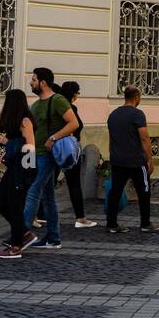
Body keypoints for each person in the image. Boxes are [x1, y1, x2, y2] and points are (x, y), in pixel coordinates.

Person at [23, 68, 79, 250]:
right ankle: (53, 238)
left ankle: (21, 235)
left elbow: (74, 123)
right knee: (48, 197)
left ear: (43, 82)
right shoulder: (36, 105)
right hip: (37, 153)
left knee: (33, 191)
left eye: (33, 79)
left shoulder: (58, 100)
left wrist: (53, 138)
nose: (31, 83)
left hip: (48, 155)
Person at [105, 86, 158, 234]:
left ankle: (111, 224)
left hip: (118, 159)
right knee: (144, 191)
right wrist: (149, 159)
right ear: (136, 98)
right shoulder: (137, 114)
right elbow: (144, 137)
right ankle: (145, 223)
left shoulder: (113, 115)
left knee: (115, 191)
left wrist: (112, 155)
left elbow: (111, 138)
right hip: (136, 160)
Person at [0, 89, 39, 258]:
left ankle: (16, 246)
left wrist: (26, 170)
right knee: (0, 202)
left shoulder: (25, 120)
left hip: (23, 168)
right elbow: (17, 142)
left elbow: (30, 146)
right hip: (14, 168)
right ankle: (24, 234)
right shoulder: (14, 122)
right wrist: (7, 143)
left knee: (14, 206)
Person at [56, 82, 97, 230]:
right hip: (67, 149)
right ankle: (80, 218)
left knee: (46, 181)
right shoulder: (69, 108)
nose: (78, 95)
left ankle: (38, 215)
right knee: (74, 183)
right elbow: (75, 126)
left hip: (55, 147)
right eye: (77, 92)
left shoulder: (56, 104)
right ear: (72, 94)